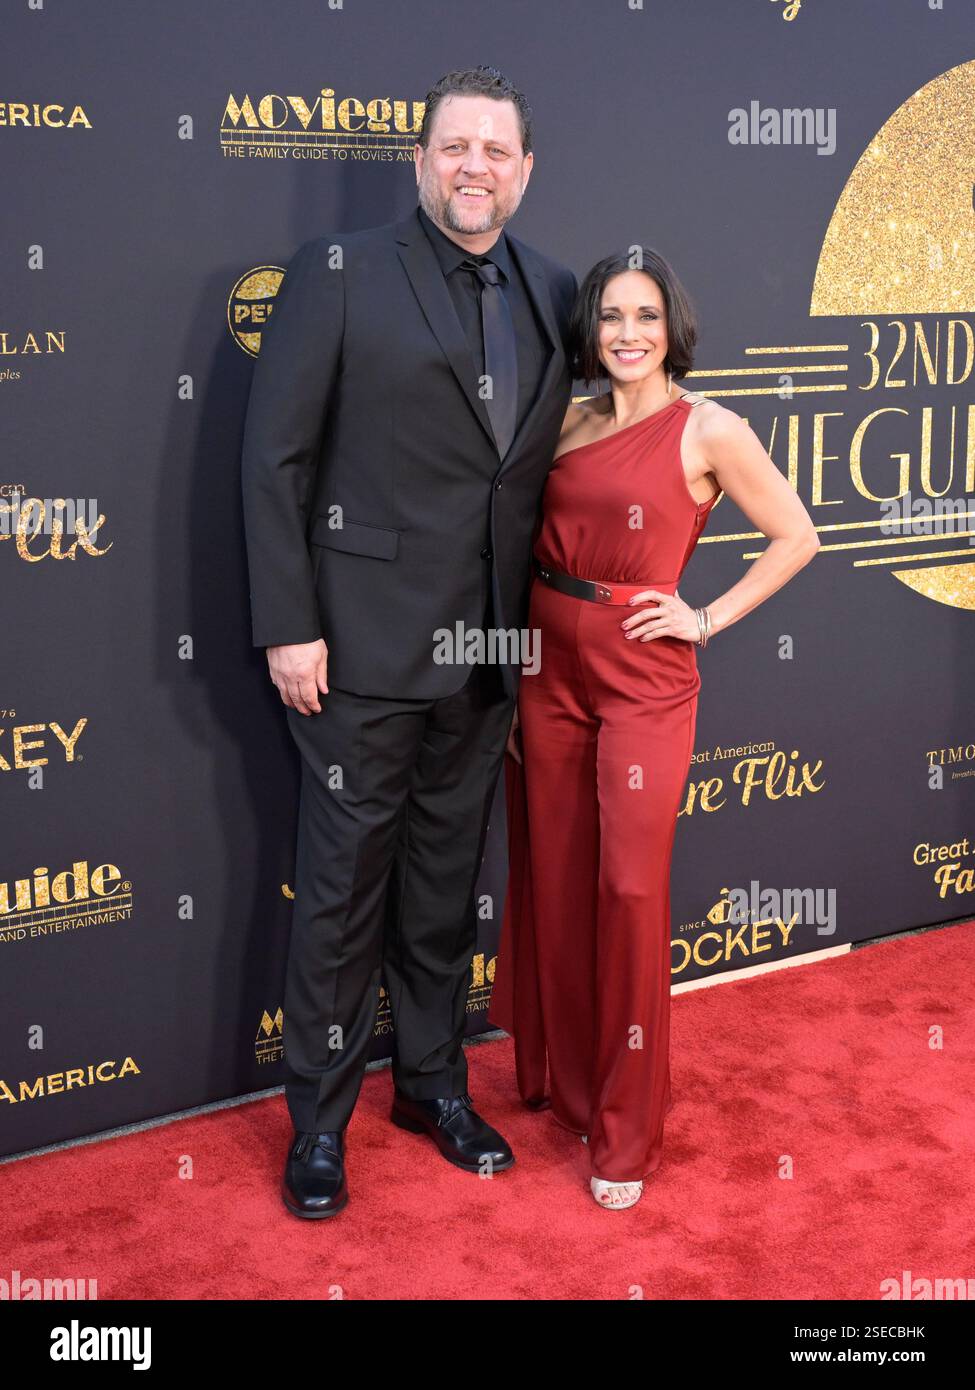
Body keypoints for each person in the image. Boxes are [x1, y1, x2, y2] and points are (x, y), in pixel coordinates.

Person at [239, 66, 577, 1218]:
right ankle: (318, 1124)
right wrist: (290, 624)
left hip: (487, 658)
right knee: (339, 897)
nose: (474, 165)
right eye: (454, 147)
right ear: (420, 159)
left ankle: (432, 1084)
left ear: (525, 171)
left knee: (442, 892)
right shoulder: (340, 274)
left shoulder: (553, 286)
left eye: (496, 149)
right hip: (359, 652)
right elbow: (275, 458)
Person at [489, 249, 819, 1210]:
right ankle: (566, 1087)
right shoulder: (567, 419)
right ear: (587, 332)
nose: (625, 334)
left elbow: (796, 536)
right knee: (552, 873)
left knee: (628, 888)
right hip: (545, 666)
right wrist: (512, 671)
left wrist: (705, 618)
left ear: (672, 325)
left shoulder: (712, 428)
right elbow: (513, 548)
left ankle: (624, 1136)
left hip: (643, 677)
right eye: (607, 317)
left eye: (643, 316)